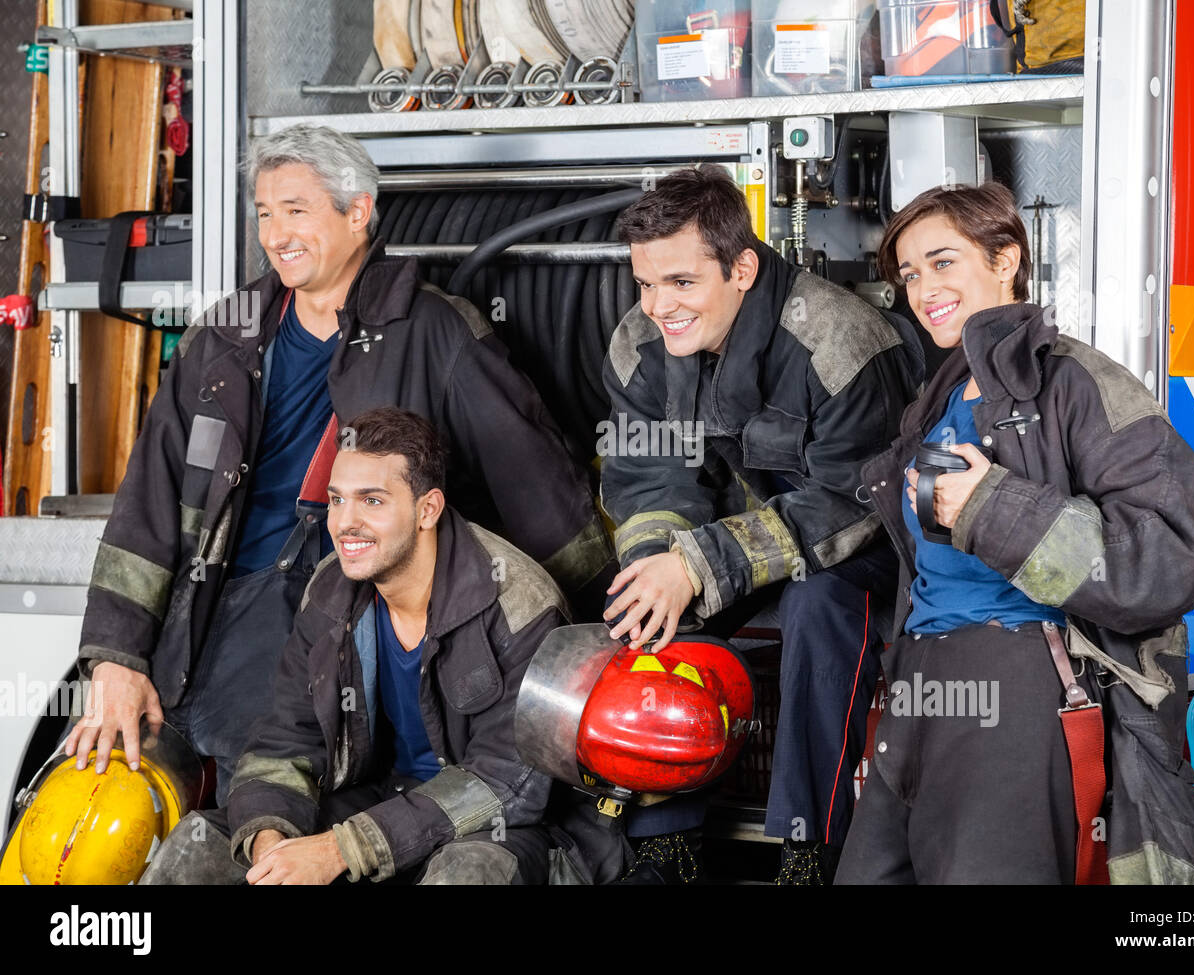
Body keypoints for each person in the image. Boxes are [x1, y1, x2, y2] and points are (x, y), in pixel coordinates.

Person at [68, 123, 613, 803]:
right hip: (214, 634)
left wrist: (605, 642)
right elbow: (147, 503)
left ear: (358, 213)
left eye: (297, 210)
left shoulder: (436, 332)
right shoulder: (224, 337)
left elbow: (538, 486)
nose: (275, 234)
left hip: (358, 632)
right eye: (265, 213)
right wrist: (115, 655)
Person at [835, 182, 1194, 884]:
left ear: (1006, 258)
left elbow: (1175, 555)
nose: (924, 289)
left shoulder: (1074, 383)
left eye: (944, 262)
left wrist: (993, 506)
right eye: (910, 274)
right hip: (920, 681)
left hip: (1019, 685)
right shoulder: (936, 400)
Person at [599, 165, 922, 884]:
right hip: (736, 546)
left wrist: (699, 566)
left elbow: (850, 502)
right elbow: (648, 480)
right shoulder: (638, 346)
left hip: (864, 550)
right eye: (645, 284)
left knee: (818, 603)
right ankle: (665, 842)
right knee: (641, 605)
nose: (658, 306)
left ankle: (810, 848)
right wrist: (663, 565)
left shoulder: (842, 342)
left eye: (681, 283)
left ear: (742, 268)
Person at [140, 407, 571, 885]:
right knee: (199, 849)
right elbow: (285, 737)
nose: (345, 524)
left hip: (494, 826)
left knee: (468, 873)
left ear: (427, 509)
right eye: (337, 500)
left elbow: (508, 781)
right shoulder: (331, 591)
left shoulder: (519, 603)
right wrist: (271, 841)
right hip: (380, 799)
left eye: (372, 501)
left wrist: (345, 848)